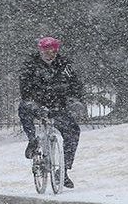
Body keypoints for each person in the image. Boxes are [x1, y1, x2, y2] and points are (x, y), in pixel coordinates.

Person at [18, 36, 84, 188]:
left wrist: (74, 100)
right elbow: (25, 88)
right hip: (37, 104)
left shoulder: (65, 65)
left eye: (52, 51)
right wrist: (34, 104)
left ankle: (63, 170)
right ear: (40, 51)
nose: (49, 55)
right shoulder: (31, 65)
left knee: (73, 131)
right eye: (46, 51)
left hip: (58, 106)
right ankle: (32, 140)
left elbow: (75, 84)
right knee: (24, 108)